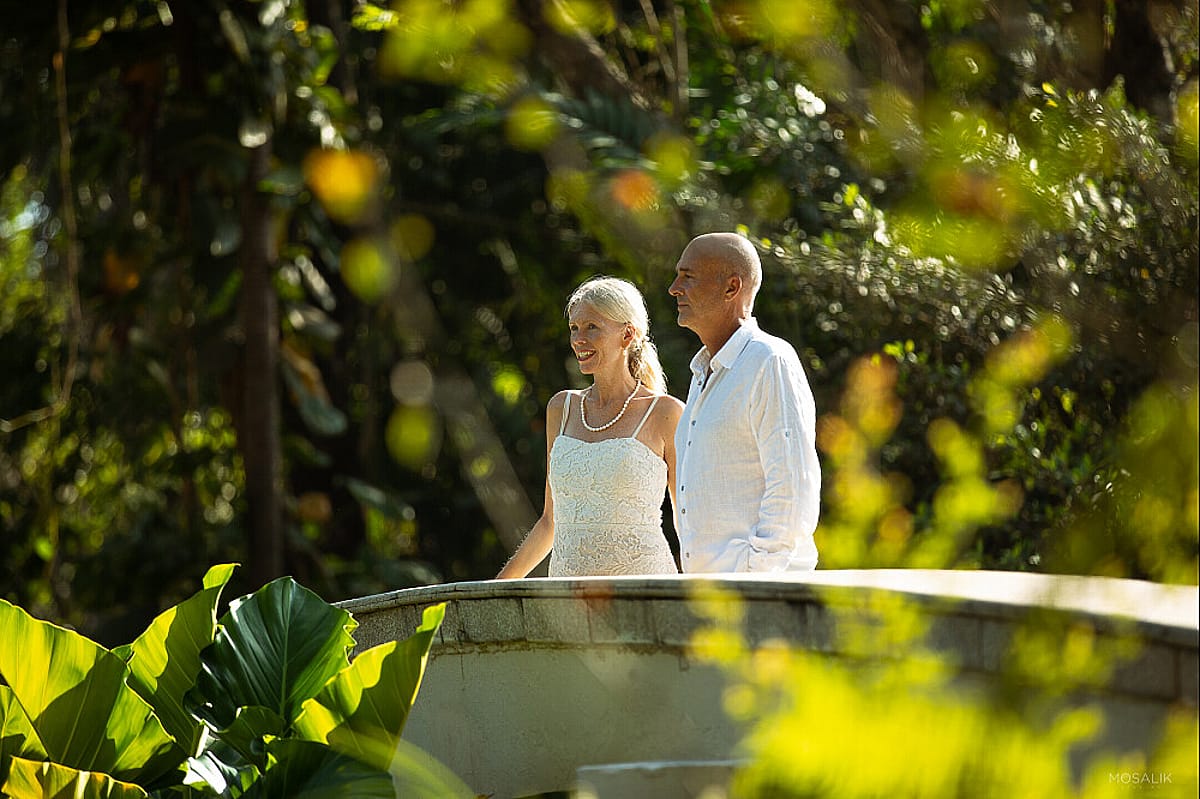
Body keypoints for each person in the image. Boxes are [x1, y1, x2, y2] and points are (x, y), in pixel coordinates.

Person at [497, 276, 684, 578]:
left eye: (591, 327)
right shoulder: (562, 408)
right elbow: (549, 521)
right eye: (574, 328)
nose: (578, 339)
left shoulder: (666, 412)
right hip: (568, 597)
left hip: (644, 591)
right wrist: (493, 591)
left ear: (627, 334)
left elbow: (685, 520)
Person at [668, 232, 820, 573]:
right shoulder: (701, 371)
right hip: (712, 603)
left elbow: (793, 489)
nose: (674, 288)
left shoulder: (769, 360)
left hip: (757, 599)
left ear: (731, 288)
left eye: (687, 276)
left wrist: (755, 581)